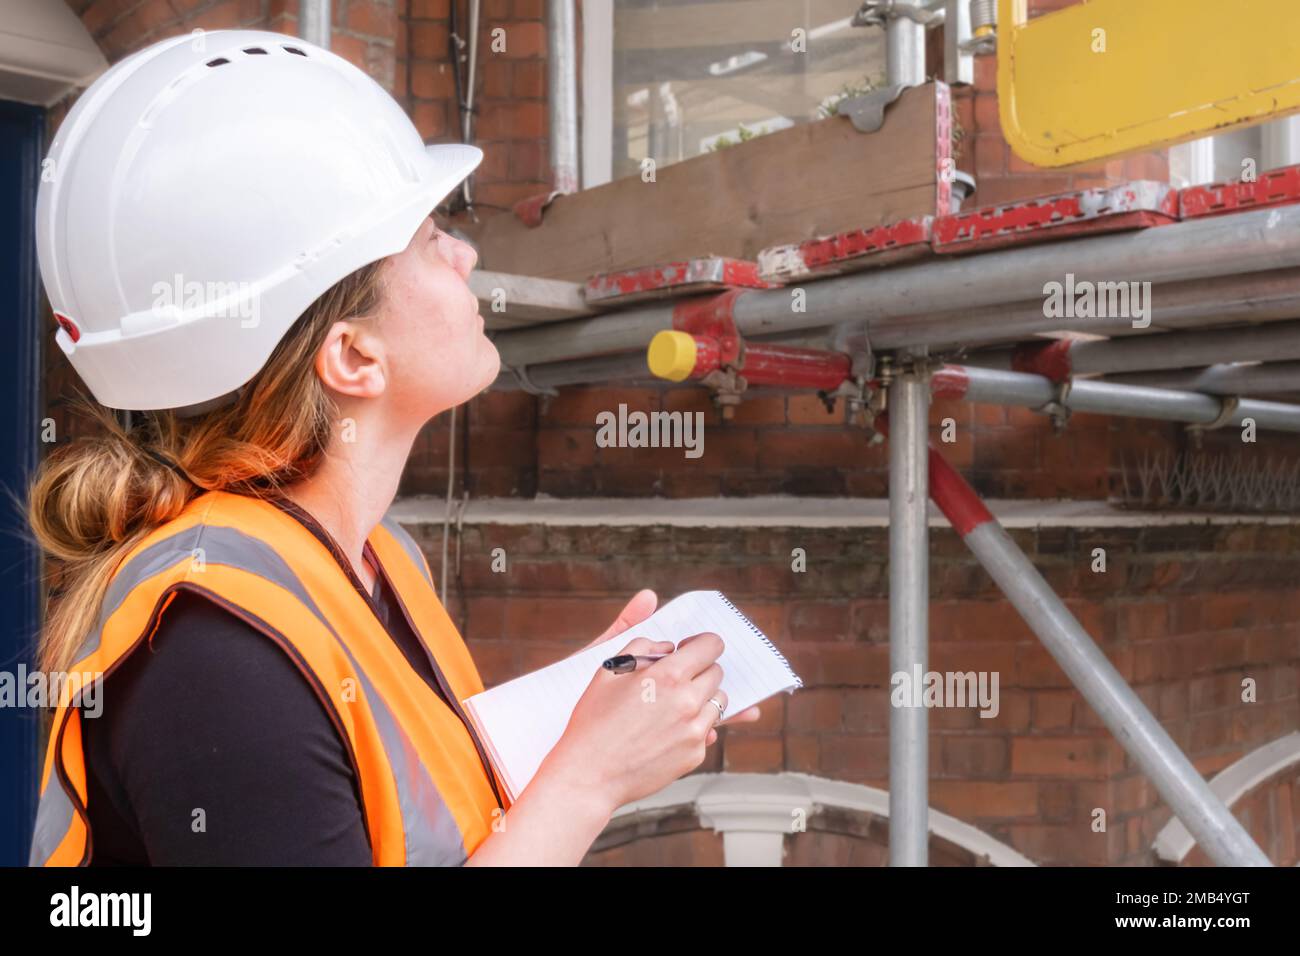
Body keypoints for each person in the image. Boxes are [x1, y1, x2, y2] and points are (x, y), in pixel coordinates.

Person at [27, 29, 759, 867]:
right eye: (426, 235)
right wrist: (589, 778)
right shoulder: (213, 658)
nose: (465, 251)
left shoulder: (371, 560)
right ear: (353, 357)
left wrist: (575, 715)